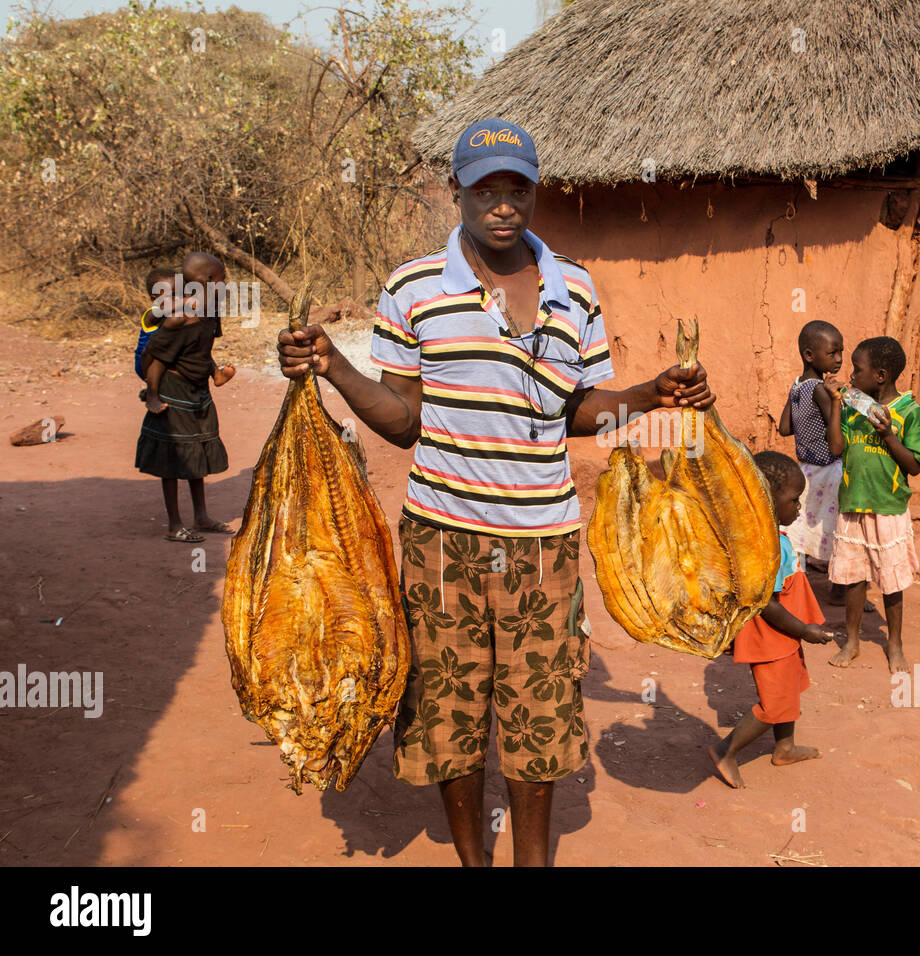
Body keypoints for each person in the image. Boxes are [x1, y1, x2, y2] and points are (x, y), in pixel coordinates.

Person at [276, 118, 714, 866]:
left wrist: (649, 395)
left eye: (518, 188)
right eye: (486, 189)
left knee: (539, 722)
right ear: (458, 192)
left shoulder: (574, 285)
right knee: (449, 716)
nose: (503, 204)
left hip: (544, 541)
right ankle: (474, 859)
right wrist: (334, 368)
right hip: (441, 538)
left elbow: (575, 409)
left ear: (535, 192)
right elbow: (404, 422)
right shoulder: (413, 287)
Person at [709, 451, 834, 789]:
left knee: (790, 687)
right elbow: (767, 604)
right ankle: (726, 750)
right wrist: (804, 629)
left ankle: (785, 747)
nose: (798, 507)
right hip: (773, 634)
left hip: (785, 632)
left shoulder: (769, 535)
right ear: (767, 497)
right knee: (775, 702)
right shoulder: (766, 547)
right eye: (794, 499)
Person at [826, 336, 920, 671]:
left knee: (891, 580)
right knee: (855, 578)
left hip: (888, 507)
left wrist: (887, 436)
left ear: (880, 375)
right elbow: (837, 449)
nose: (851, 375)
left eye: (858, 370)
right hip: (853, 504)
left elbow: (913, 465)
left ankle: (894, 644)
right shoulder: (855, 406)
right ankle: (852, 640)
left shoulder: (908, 413)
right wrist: (836, 405)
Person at [134, 255, 233, 542]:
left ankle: (200, 516)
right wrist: (153, 394)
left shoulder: (209, 311)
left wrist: (214, 373)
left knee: (196, 452)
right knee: (172, 458)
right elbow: (154, 356)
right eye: (221, 277)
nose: (225, 283)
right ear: (207, 282)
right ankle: (174, 524)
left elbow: (201, 349)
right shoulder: (179, 317)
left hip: (197, 389)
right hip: (171, 391)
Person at [777, 320, 850, 606]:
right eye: (833, 353)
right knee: (840, 528)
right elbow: (836, 444)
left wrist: (792, 399)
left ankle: (796, 589)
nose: (839, 359)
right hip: (829, 469)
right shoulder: (821, 390)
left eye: (841, 352)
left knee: (800, 528)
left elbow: (784, 428)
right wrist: (836, 406)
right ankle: (842, 590)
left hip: (805, 470)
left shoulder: (797, 386)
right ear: (810, 355)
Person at [138, 255, 236, 400]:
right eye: (172, 296)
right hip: (147, 359)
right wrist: (186, 301)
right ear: (154, 299)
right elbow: (152, 351)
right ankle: (152, 393)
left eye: (180, 294)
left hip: (173, 350)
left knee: (199, 346)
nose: (177, 299)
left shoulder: (189, 313)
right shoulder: (151, 314)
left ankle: (216, 374)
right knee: (159, 363)